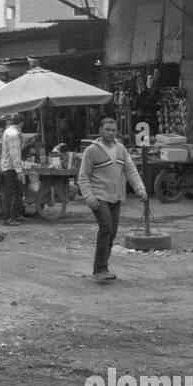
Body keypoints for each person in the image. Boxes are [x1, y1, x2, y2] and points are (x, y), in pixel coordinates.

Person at [77, 116, 147, 283]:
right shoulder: (92, 151)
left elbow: (131, 170)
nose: (110, 133)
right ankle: (100, 269)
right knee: (106, 227)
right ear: (101, 130)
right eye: (107, 129)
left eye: (113, 130)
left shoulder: (121, 149)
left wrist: (140, 188)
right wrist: (89, 196)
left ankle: (103, 266)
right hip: (98, 197)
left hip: (115, 197)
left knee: (112, 231)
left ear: (117, 132)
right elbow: (83, 176)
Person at [0, 115, 25, 225]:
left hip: (10, 166)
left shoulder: (9, 131)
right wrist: (19, 171)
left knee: (17, 191)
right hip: (11, 168)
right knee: (9, 193)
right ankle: (7, 218)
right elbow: (14, 153)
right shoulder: (13, 134)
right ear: (21, 123)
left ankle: (17, 215)